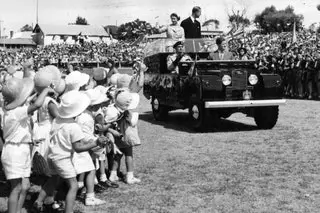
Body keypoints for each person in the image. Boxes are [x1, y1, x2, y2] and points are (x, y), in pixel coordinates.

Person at [48, 91, 109, 213]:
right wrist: (96, 143)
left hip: (52, 154)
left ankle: (50, 202)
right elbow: (78, 148)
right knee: (73, 185)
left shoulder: (58, 120)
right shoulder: (73, 126)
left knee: (57, 181)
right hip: (63, 158)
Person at [1, 77, 55, 213]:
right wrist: (46, 91)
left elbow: (20, 129)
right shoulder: (16, 112)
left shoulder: (11, 111)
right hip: (15, 150)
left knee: (24, 186)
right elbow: (36, 105)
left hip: (22, 147)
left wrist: (30, 140)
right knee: (17, 187)